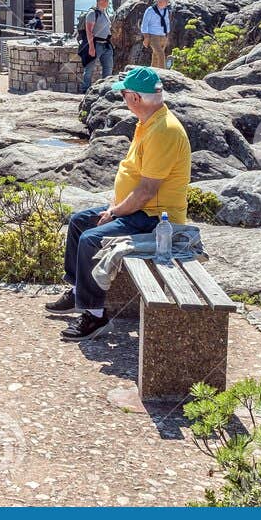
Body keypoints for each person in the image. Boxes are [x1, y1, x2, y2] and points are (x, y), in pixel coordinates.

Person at [47, 67, 191, 340]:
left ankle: (95, 316)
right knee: (79, 222)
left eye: (124, 94)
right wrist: (116, 208)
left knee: (91, 238)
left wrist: (114, 212)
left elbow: (147, 191)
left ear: (135, 98)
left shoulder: (164, 131)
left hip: (155, 218)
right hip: (138, 211)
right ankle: (79, 292)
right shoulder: (148, 123)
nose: (123, 99)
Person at [78, 0, 113, 89]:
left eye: (107, 0)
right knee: (89, 69)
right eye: (105, 0)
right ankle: (85, 89)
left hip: (106, 44)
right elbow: (89, 31)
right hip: (96, 44)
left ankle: (105, 90)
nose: (107, 2)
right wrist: (91, 47)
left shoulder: (104, 12)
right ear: (100, 1)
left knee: (108, 68)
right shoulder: (92, 13)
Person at [139, 0, 173, 68]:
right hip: (153, 36)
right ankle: (162, 72)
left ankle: (152, 71)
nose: (167, 1)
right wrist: (146, 37)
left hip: (163, 36)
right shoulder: (150, 10)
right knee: (160, 54)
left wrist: (167, 36)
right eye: (165, 0)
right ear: (159, 1)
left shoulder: (166, 10)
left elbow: (167, 23)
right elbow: (144, 24)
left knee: (155, 56)